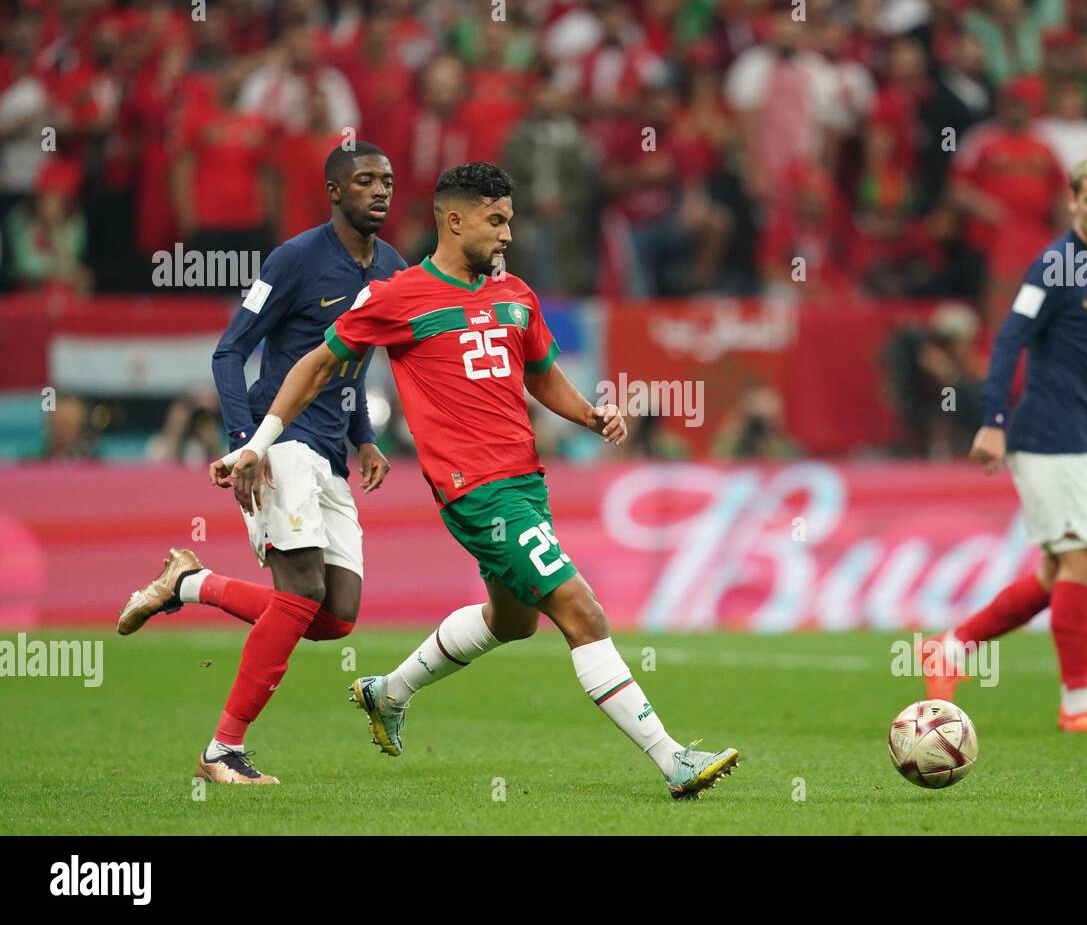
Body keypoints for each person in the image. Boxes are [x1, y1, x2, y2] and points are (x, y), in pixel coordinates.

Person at [213, 162, 739, 798]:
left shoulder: (516, 295)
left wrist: (589, 413)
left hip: (526, 483)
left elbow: (540, 373)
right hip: (476, 491)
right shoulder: (399, 296)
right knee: (581, 610)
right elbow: (317, 365)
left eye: (510, 220)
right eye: (496, 220)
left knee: (513, 621)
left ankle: (390, 691)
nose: (507, 234)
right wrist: (257, 443)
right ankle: (672, 759)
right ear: (454, 220)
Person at [117, 142, 405, 785]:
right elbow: (230, 352)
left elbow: (350, 362)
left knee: (334, 616)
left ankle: (186, 583)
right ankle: (222, 751)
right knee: (301, 591)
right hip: (280, 444)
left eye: (387, 181)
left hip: (330, 450)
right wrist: (246, 441)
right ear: (334, 191)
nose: (380, 191)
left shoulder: (391, 266)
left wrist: (362, 437)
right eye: (364, 181)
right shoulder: (295, 260)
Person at [924, 151, 1087, 733]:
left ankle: (950, 649)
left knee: (1057, 572)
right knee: (1084, 558)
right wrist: (993, 420)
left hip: (1074, 434)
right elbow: (1007, 340)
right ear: (1072, 201)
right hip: (1047, 433)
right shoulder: (1055, 264)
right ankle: (1078, 703)